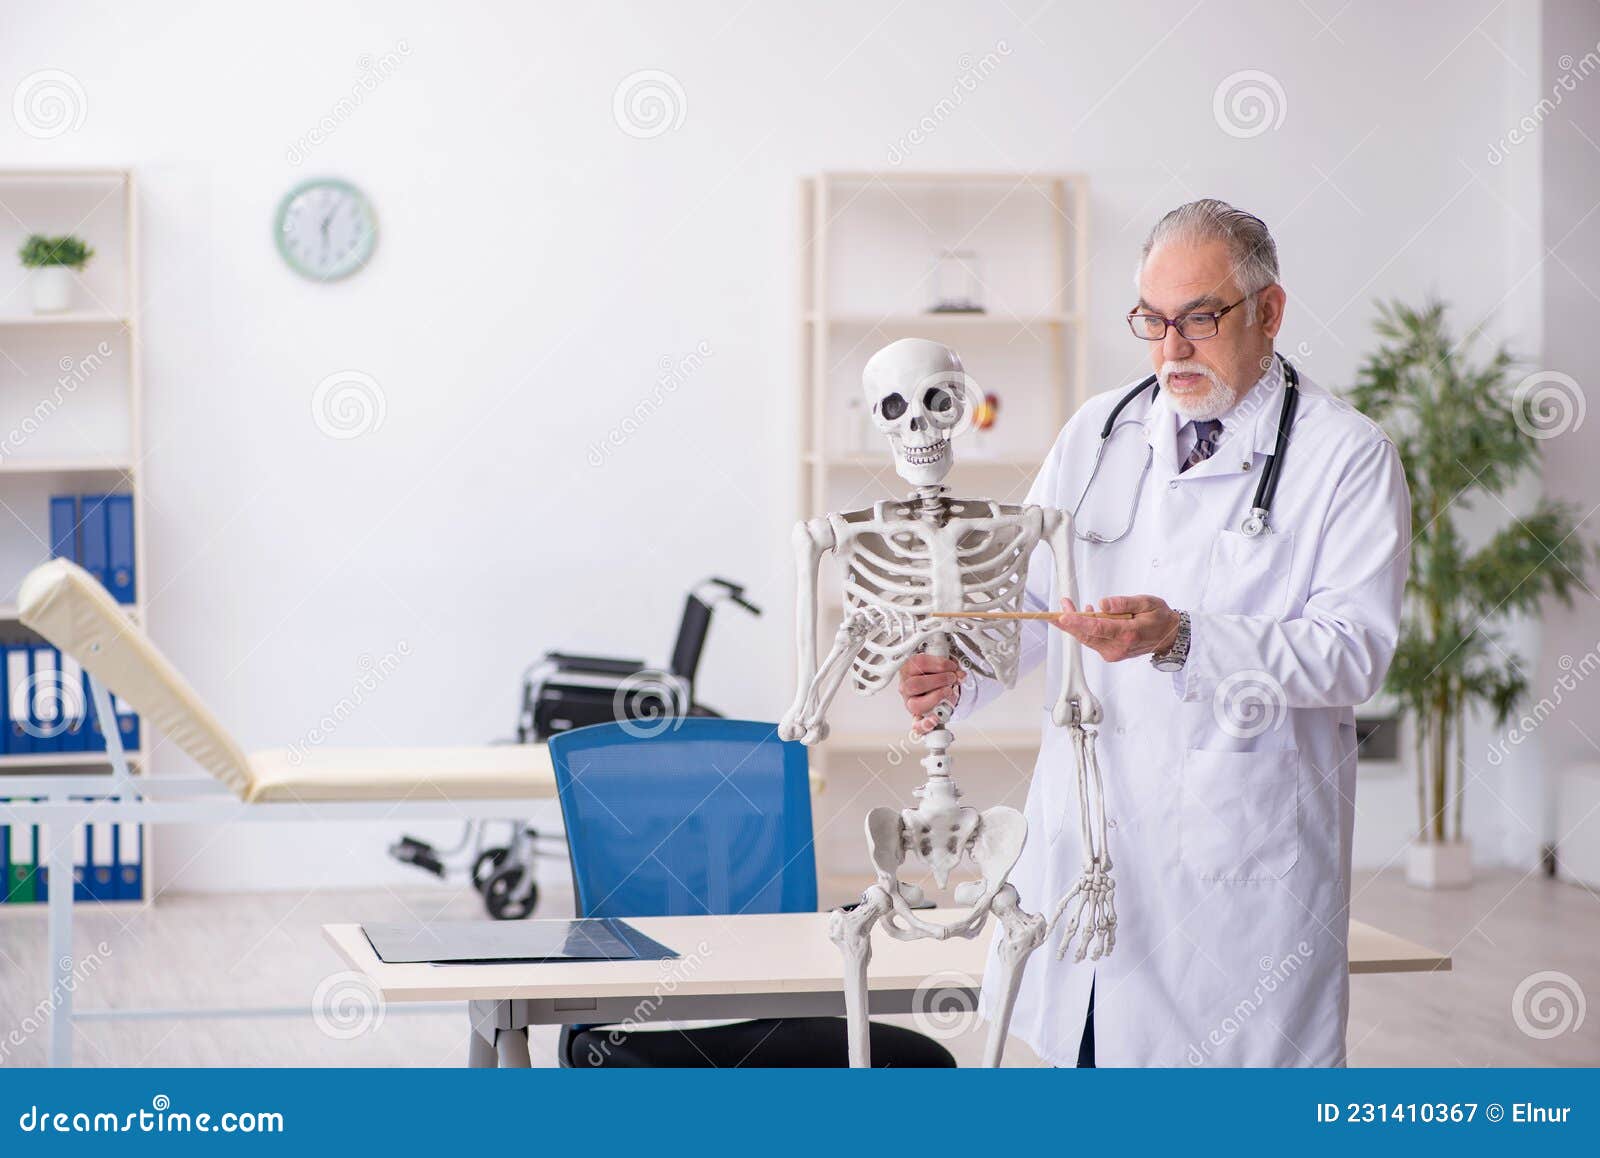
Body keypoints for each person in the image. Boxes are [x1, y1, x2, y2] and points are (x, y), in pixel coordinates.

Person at [898, 199, 1409, 1067]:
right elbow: (1031, 600)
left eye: (1200, 319)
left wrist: (1183, 640)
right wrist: (959, 677)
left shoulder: (1345, 456)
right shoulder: (1099, 432)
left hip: (1234, 883)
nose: (1171, 348)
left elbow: (1352, 650)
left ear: (1269, 312)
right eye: (1152, 320)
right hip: (1087, 859)